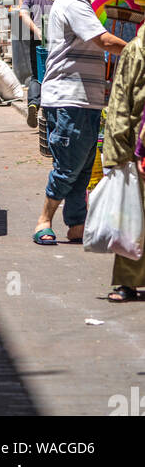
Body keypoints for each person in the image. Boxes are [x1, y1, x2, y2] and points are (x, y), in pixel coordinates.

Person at [33, 0, 128, 248]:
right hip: (69, 99)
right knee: (68, 166)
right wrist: (138, 48)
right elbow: (104, 41)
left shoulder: (79, 4)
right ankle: (43, 221)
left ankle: (76, 225)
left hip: (84, 100)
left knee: (83, 167)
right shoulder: (72, 3)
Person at [100, 22, 145, 302]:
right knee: (134, 217)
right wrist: (119, 151)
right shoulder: (137, 50)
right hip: (138, 148)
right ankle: (128, 282)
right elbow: (121, 102)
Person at [15, 0, 57, 129]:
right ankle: (51, 110)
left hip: (37, 40)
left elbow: (22, 13)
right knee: (54, 73)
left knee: (37, 75)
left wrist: (36, 30)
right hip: (57, 40)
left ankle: (33, 103)